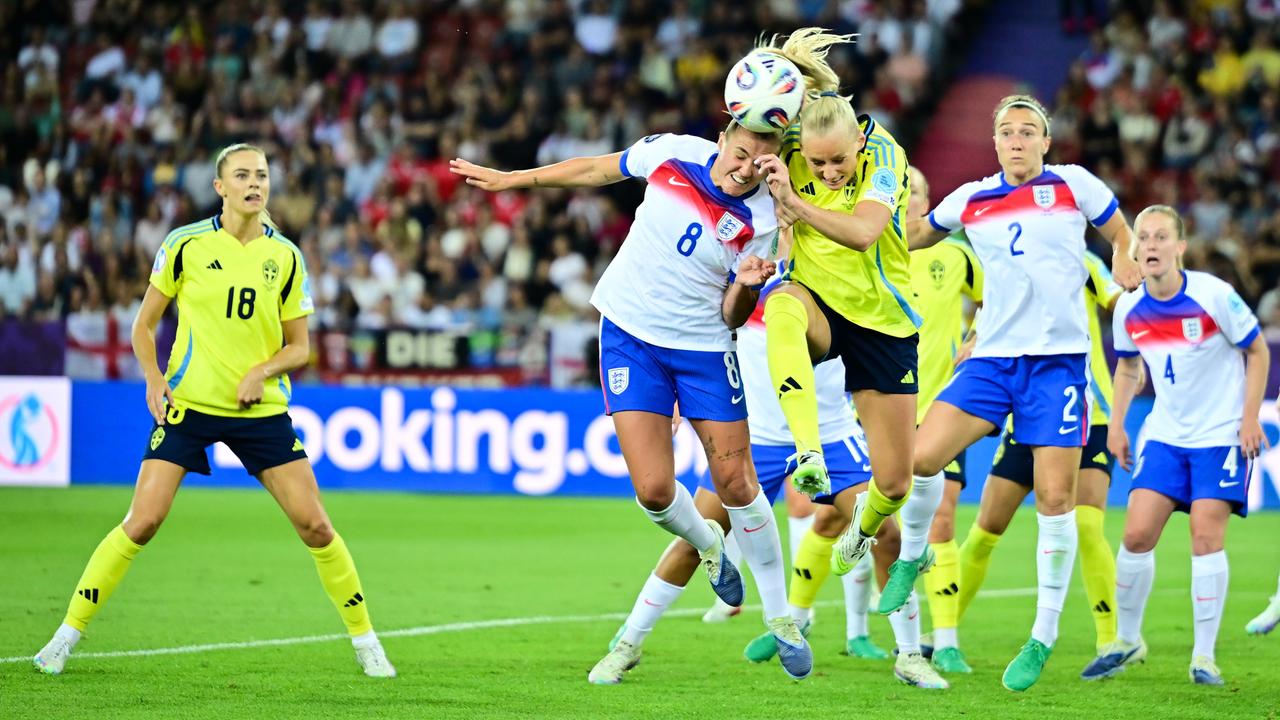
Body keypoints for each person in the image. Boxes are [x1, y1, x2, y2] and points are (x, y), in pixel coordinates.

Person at [451, 121, 815, 679]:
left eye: (760, 166)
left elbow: (732, 316)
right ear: (724, 138)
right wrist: (514, 179)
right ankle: (709, 544)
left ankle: (779, 616)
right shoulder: (672, 155)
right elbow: (597, 168)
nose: (745, 171)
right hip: (630, 336)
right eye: (741, 155)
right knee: (653, 492)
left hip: (702, 346)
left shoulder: (766, 218)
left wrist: (745, 284)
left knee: (737, 483)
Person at [32, 143, 395, 678]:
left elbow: (301, 347)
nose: (255, 183)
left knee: (316, 526)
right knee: (143, 521)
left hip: (260, 411)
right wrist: (154, 378)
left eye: (263, 175)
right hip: (190, 404)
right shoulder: (185, 244)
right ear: (220, 187)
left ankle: (367, 643)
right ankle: (65, 635)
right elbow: (143, 325)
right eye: (243, 175)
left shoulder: (285, 256)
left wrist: (261, 371)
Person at [589, 256, 945, 689]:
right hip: (753, 436)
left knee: (883, 534)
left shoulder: (842, 276)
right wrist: (679, 393)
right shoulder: (748, 274)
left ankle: (909, 655)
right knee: (697, 539)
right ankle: (628, 644)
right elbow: (702, 339)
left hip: (830, 434)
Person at [904, 94, 1143, 692]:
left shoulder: (1074, 186)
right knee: (921, 457)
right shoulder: (970, 198)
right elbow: (909, 237)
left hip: (1057, 368)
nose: (1016, 139)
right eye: (1006, 131)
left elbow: (1120, 232)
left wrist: (1126, 258)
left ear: (1045, 142)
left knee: (1056, 501)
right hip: (991, 361)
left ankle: (1043, 634)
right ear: (995, 143)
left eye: (1027, 131)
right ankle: (910, 556)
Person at [754, 30, 938, 618]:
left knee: (896, 483)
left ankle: (864, 525)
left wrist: (794, 202)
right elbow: (738, 143)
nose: (830, 171)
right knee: (781, 302)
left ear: (858, 140)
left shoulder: (886, 154)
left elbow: (863, 234)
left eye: (839, 160)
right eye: (817, 163)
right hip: (820, 305)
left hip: (882, 320)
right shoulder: (786, 143)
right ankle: (809, 454)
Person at [1096, 205, 1268, 686]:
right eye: (1143, 238)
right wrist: (1118, 423)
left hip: (1220, 435)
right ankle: (1128, 642)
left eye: (1160, 237)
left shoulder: (1214, 296)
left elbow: (1256, 351)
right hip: (1166, 435)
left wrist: (1250, 417)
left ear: (1180, 247)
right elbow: (1129, 367)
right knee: (1135, 536)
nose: (1149, 245)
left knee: (1204, 536)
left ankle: (1204, 657)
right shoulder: (1129, 308)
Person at [955, 248, 1134, 682]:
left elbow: (1122, 304)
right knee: (984, 532)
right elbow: (980, 328)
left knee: (1088, 526)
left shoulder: (1079, 259)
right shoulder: (1003, 266)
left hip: (1087, 413)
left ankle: (1112, 641)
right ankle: (941, 632)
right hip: (1026, 415)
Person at [902, 165, 983, 675]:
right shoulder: (868, 250)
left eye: (918, 192)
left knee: (944, 519)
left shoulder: (954, 254)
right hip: (878, 407)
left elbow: (997, 298)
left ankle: (947, 639)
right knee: (873, 525)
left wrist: (977, 337)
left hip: (940, 408)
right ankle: (851, 629)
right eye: (904, 191)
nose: (910, 199)